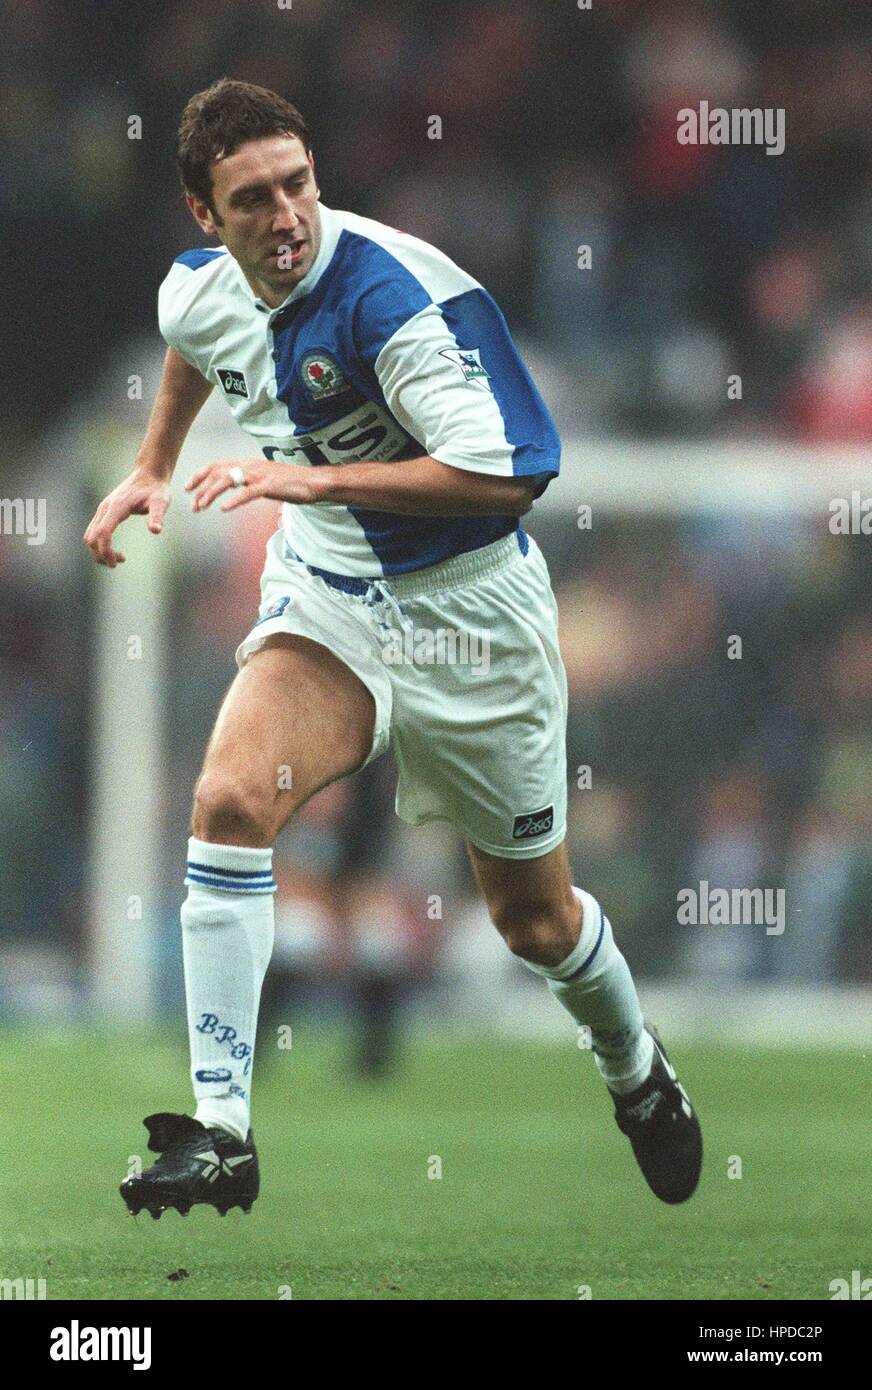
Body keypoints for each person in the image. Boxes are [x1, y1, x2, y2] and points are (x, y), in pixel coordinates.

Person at [84, 79, 701, 1217]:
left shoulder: (396, 299)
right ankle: (221, 1130)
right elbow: (193, 340)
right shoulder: (200, 286)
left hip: (472, 621)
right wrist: (154, 462)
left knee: (534, 921)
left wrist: (312, 480)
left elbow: (509, 473)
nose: (285, 217)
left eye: (298, 184)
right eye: (252, 199)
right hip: (331, 600)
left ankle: (634, 1067)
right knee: (228, 801)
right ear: (204, 214)